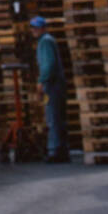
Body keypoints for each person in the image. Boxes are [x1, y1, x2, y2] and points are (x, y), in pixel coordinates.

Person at [30, 15, 69, 164]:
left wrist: (41, 81)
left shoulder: (45, 42)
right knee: (57, 117)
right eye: (33, 27)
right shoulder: (46, 41)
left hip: (52, 85)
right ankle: (61, 149)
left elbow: (48, 65)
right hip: (55, 84)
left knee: (53, 117)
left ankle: (55, 151)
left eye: (36, 27)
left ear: (43, 28)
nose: (34, 30)